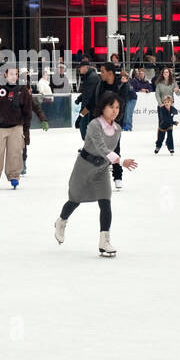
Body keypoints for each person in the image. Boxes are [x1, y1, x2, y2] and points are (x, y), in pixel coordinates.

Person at [54, 92, 137, 257]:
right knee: (75, 200)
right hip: (84, 167)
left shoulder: (117, 129)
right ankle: (61, 221)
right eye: (111, 107)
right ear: (103, 108)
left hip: (102, 170)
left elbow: (112, 150)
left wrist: (116, 165)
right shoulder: (94, 125)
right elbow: (101, 147)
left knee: (105, 202)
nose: (114, 111)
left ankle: (104, 241)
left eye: (117, 107)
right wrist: (120, 161)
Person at [0, 63, 32, 189]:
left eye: (15, 74)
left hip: (16, 127)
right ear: (5, 74)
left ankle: (14, 176)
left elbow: (27, 110)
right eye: (11, 74)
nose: (13, 76)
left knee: (15, 153)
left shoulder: (22, 90)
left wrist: (26, 130)